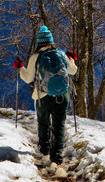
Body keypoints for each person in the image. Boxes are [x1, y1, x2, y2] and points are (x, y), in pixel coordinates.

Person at [13, 26, 77, 164]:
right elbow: (72, 71)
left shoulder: (35, 57)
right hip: (62, 95)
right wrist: (71, 59)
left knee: (43, 123)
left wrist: (20, 68)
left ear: (39, 43)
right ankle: (57, 155)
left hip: (43, 97)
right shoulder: (61, 54)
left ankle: (44, 148)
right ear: (51, 41)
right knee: (59, 125)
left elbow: (29, 79)